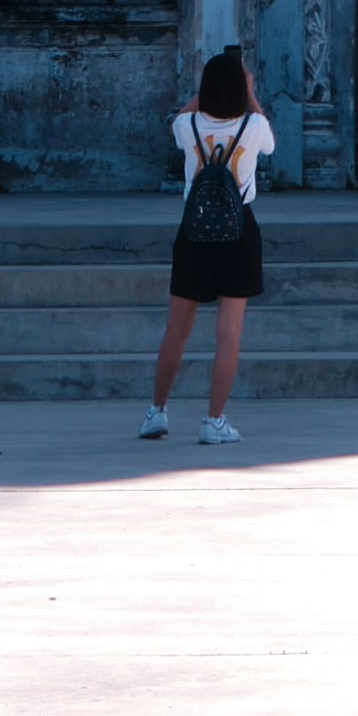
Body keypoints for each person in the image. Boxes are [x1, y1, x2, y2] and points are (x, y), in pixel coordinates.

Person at [142, 46, 270, 446]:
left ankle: (156, 411)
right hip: (238, 231)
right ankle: (214, 419)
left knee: (176, 330)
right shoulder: (252, 127)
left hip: (194, 232)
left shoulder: (188, 126)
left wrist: (209, 90)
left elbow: (183, 113)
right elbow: (269, 142)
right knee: (228, 333)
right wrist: (247, 88)